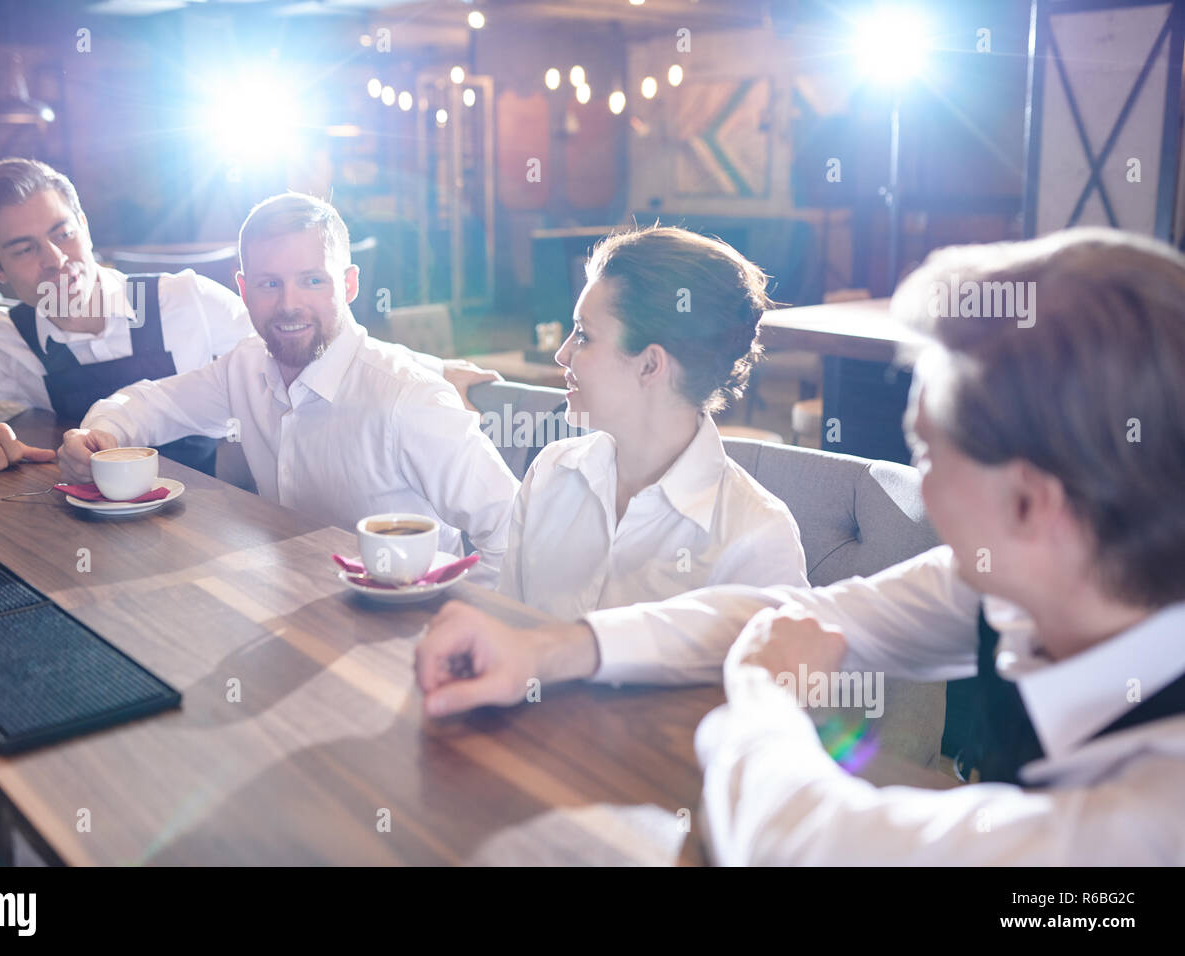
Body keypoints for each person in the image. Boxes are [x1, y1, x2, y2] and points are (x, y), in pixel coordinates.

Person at [415, 227, 1185, 864]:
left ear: (1030, 504)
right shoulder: (1004, 577)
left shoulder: (1149, 825)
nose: (916, 493)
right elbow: (793, 615)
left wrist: (762, 700)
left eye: (926, 456)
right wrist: (544, 652)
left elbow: (808, 842)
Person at [0, 158, 498, 476]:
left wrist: (433, 369)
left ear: (84, 227)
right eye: (24, 249)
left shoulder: (182, 298)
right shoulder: (1, 341)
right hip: (95, 528)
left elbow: (304, 339)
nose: (56, 260)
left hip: (224, 512)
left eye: (62, 233)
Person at [57, 192, 518, 585]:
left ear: (350, 284)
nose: (288, 304)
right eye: (268, 284)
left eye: (312, 280)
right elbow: (149, 403)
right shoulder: (244, 367)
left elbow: (515, 531)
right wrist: (100, 434)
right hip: (293, 607)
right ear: (243, 289)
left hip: (404, 642)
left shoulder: (410, 399)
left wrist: (460, 625)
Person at [500, 226, 806, 618]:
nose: (562, 354)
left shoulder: (756, 538)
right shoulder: (550, 472)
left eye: (582, 335)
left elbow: (774, 678)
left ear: (650, 365)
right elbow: (504, 632)